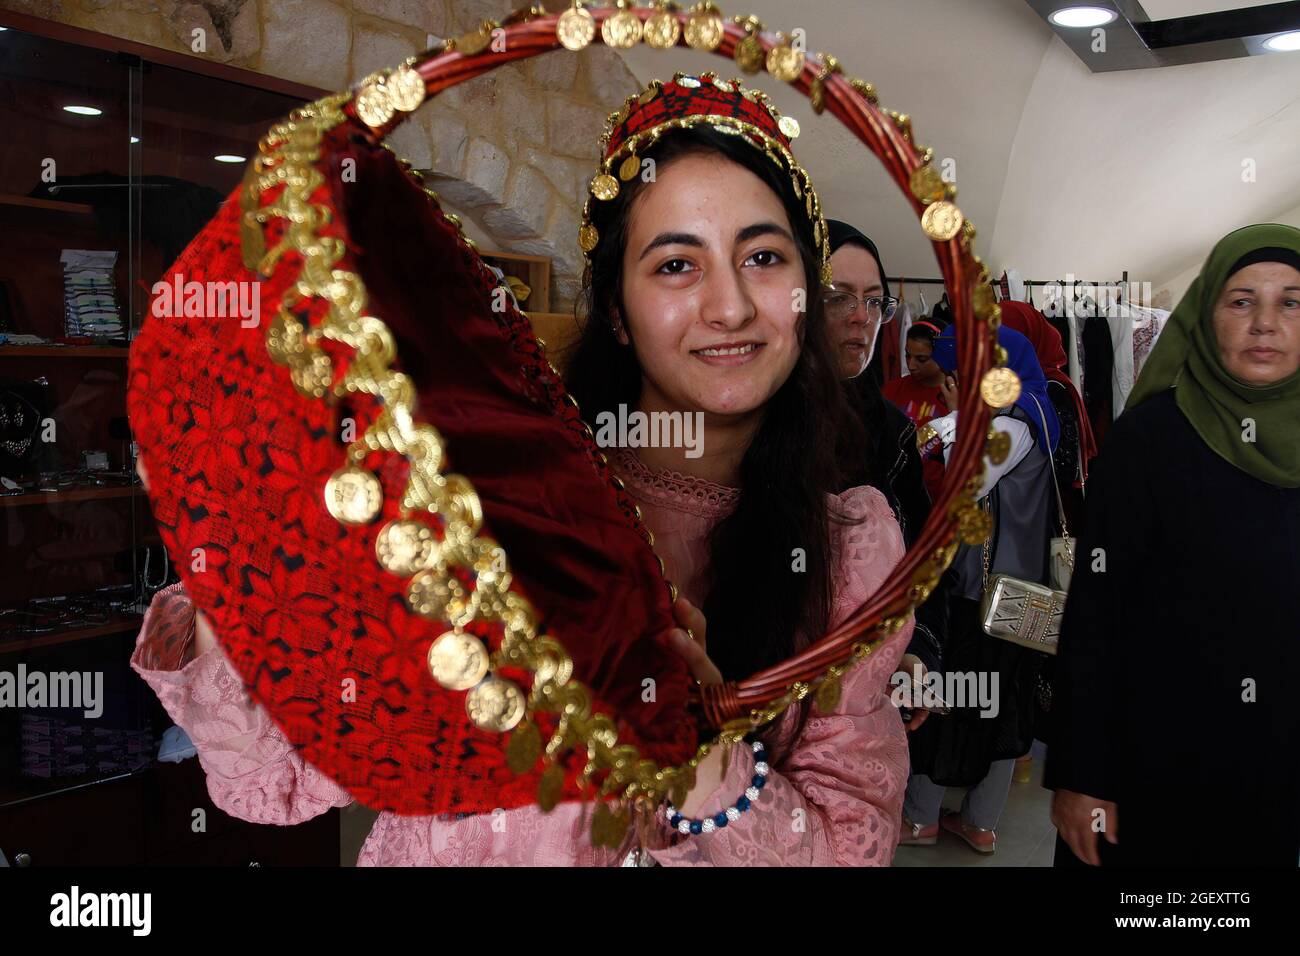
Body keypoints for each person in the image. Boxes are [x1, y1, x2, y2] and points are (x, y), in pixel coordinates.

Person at [131, 72, 916, 866]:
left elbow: (851, 851)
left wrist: (699, 756)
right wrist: (232, 536)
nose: (731, 306)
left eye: (764, 257)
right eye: (676, 265)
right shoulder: (478, 488)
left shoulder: (848, 554)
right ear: (616, 307)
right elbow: (271, 780)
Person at [1047, 224, 1300, 867]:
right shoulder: (1150, 442)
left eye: (1291, 301)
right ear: (1205, 313)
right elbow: (1095, 618)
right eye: (1241, 300)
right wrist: (1082, 775)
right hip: (1157, 768)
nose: (1265, 323)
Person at [900, 325, 1058, 853]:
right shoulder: (1029, 412)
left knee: (950, 695)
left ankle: (921, 816)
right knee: (1001, 703)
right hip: (1015, 591)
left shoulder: (1015, 424)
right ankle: (981, 821)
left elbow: (967, 484)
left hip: (983, 592)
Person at [824, 219, 945, 722]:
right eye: (838, 297)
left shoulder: (891, 430)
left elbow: (920, 551)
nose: (861, 317)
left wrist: (916, 654)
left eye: (875, 301)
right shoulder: (744, 414)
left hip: (864, 701)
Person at [883, 322, 951, 502]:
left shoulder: (955, 396)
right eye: (907, 356)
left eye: (921, 359)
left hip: (941, 502)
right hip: (897, 497)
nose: (911, 365)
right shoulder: (890, 391)